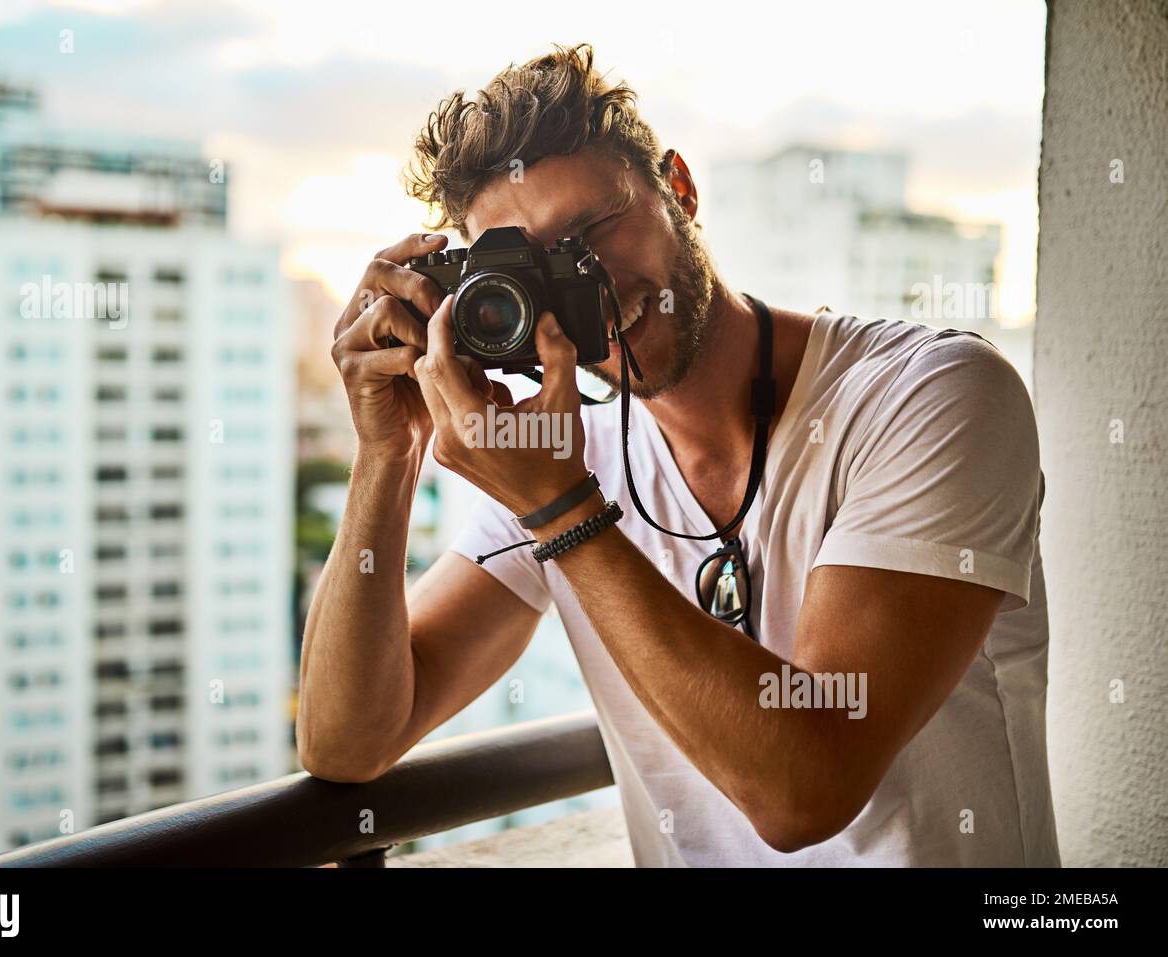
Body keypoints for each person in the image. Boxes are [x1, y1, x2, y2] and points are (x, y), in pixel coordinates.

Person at [298, 43, 1060, 866]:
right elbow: (349, 740)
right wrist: (388, 450)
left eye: (592, 230)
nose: (593, 281)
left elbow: (807, 788)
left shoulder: (931, 395)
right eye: (541, 269)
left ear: (681, 190)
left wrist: (561, 510)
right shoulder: (566, 451)